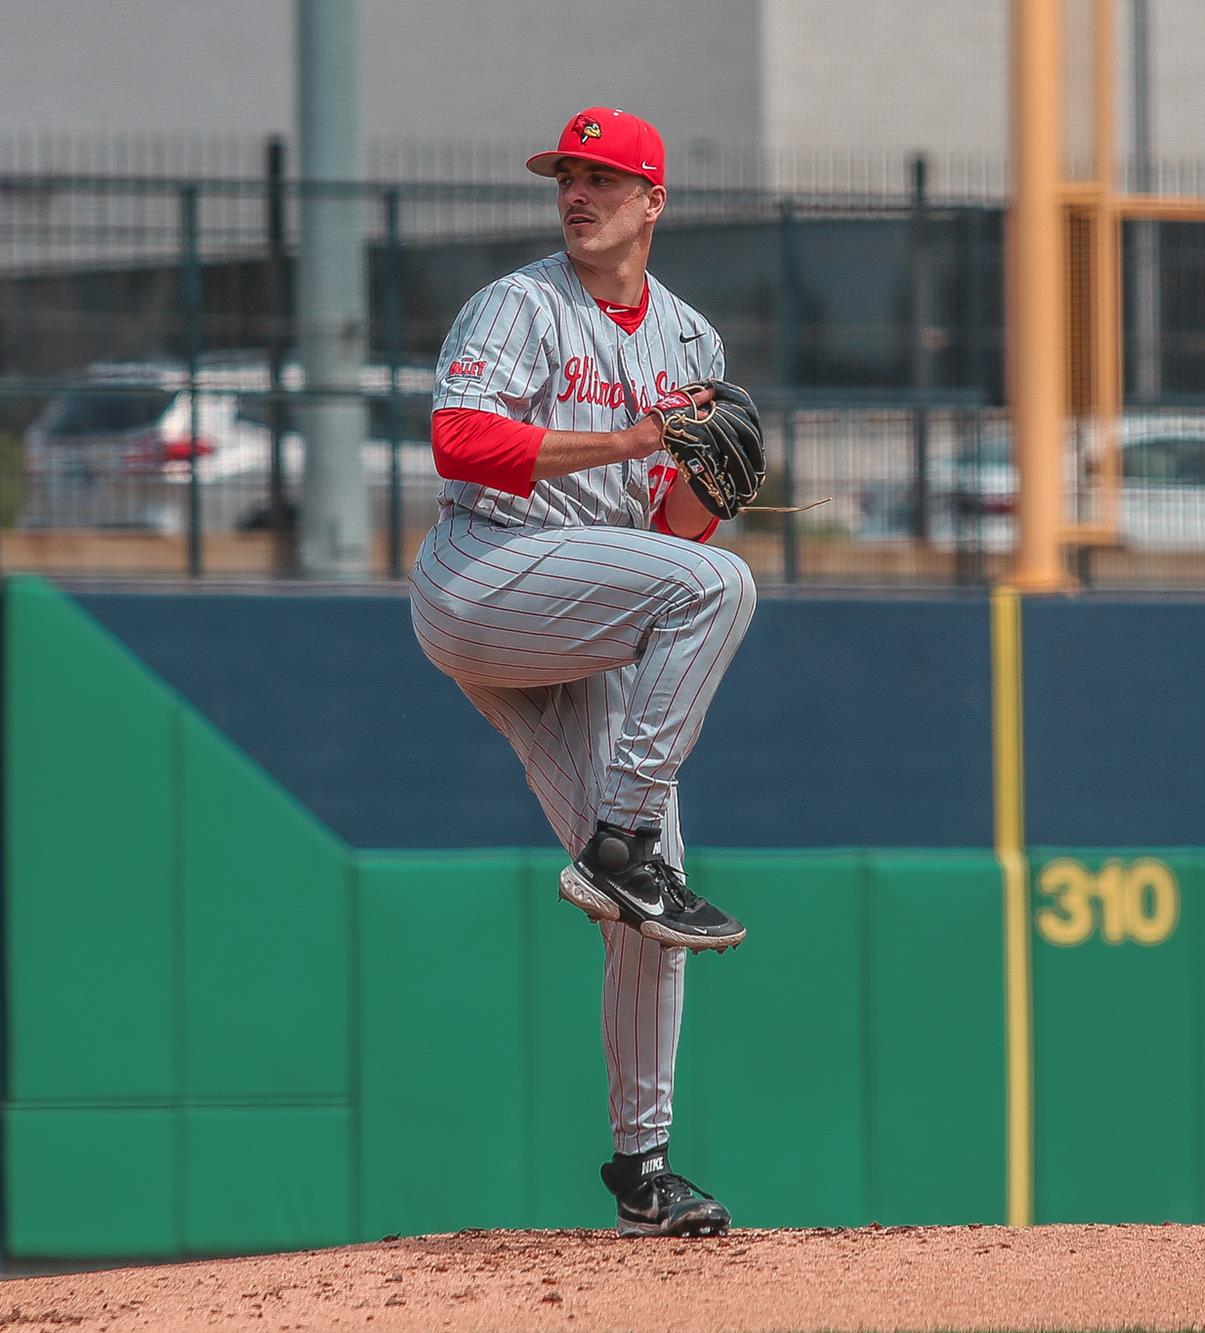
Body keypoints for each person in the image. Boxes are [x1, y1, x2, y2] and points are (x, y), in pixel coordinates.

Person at [407, 107, 757, 1238]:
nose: (578, 193)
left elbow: (667, 533)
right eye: (568, 175)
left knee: (651, 904)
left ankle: (643, 1172)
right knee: (722, 590)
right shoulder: (517, 305)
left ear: (653, 202)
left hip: (589, 611)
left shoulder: (692, 342)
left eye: (603, 178)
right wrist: (635, 441)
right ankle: (620, 841)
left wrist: (709, 486)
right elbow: (460, 441)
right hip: (484, 576)